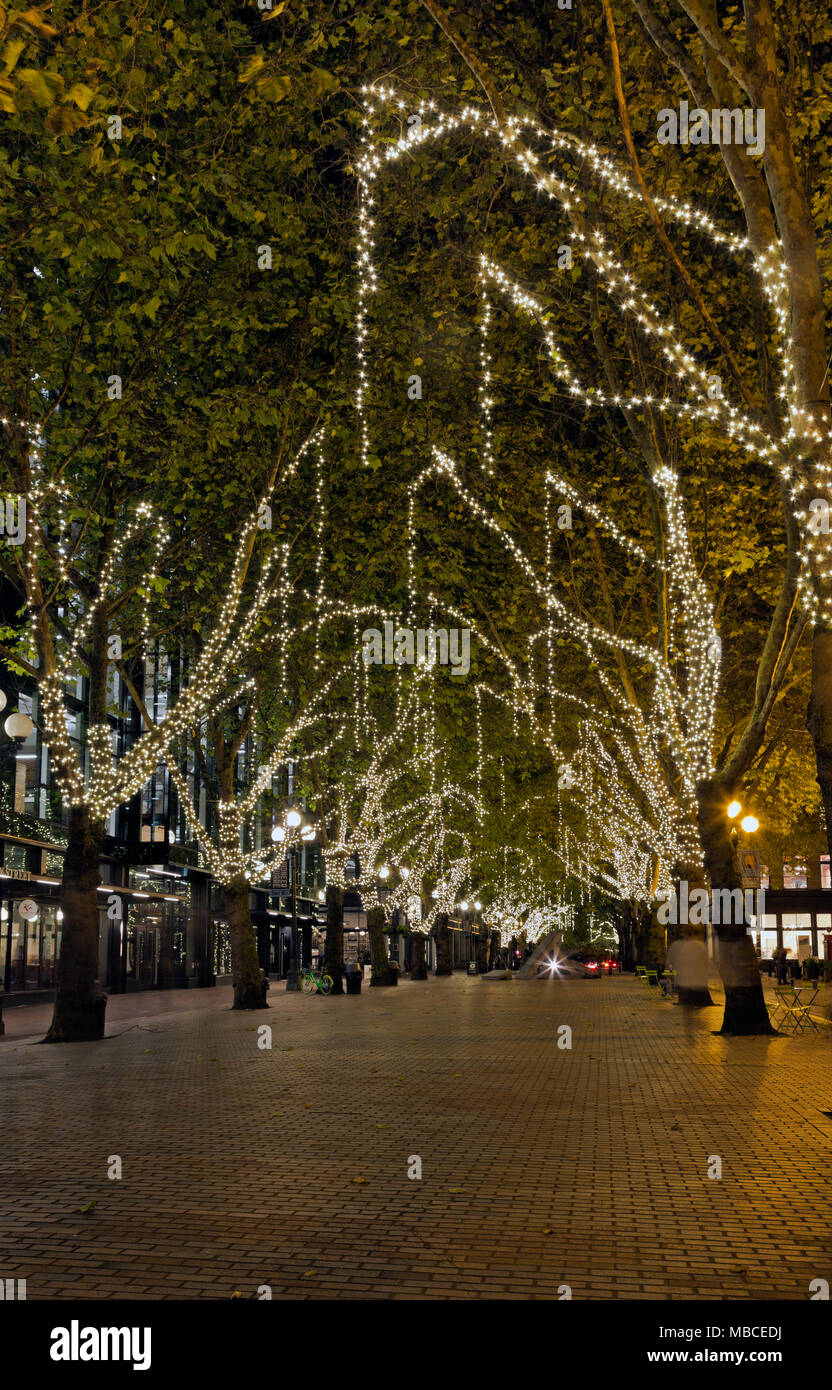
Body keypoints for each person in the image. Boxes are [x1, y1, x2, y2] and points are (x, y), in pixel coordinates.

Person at [666, 929, 710, 1006]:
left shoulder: (677, 945)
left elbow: (669, 963)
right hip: (695, 984)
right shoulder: (700, 945)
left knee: (687, 1008)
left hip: (686, 984)